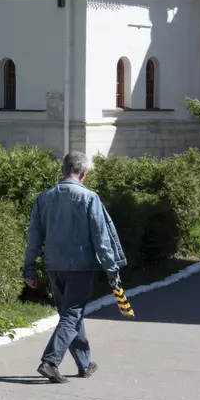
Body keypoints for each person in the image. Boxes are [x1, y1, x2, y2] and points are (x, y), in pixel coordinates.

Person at [23, 152, 125, 383]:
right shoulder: (89, 198)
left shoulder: (44, 197)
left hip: (53, 265)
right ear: (84, 172)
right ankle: (50, 361)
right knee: (72, 314)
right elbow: (101, 237)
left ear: (63, 170)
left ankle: (84, 364)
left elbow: (34, 237)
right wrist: (111, 269)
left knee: (70, 314)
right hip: (80, 266)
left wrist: (29, 268)